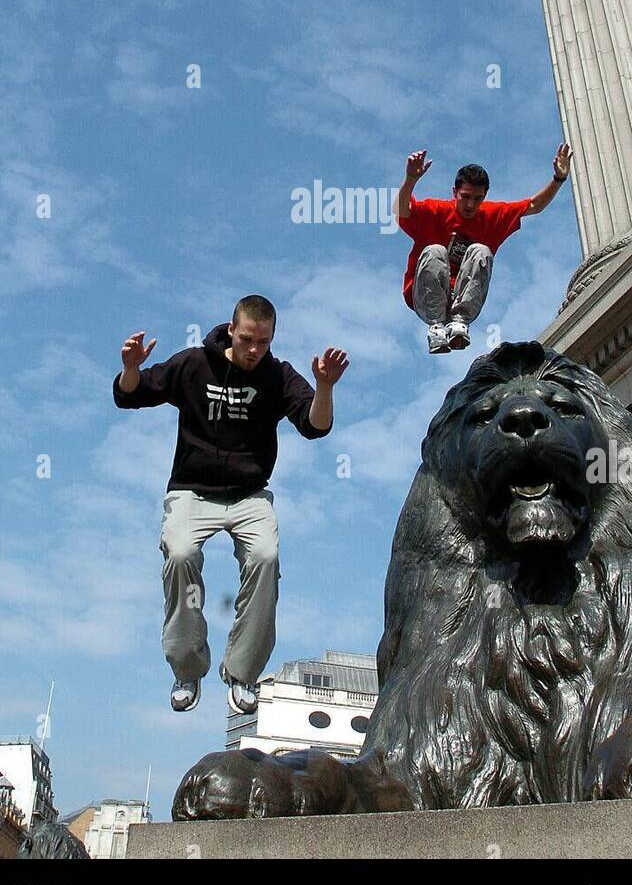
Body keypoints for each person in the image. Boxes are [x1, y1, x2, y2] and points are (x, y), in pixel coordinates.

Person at [113, 295, 348, 715]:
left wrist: (325, 387)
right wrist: (130, 369)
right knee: (181, 554)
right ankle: (187, 667)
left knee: (266, 556)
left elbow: (316, 426)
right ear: (231, 330)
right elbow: (132, 395)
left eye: (263, 342)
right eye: (246, 340)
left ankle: (243, 672)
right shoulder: (193, 365)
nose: (253, 350)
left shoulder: (278, 376)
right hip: (192, 490)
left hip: (249, 494)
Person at [396, 145, 573, 353]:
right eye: (465, 196)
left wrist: (558, 179)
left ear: (485, 196)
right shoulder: (437, 211)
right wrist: (410, 179)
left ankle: (459, 320)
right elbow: (402, 210)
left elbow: (533, 205)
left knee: (481, 250)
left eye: (477, 198)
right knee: (435, 251)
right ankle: (436, 326)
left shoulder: (491, 215)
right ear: (455, 193)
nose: (470, 205)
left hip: (462, 295)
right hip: (425, 296)